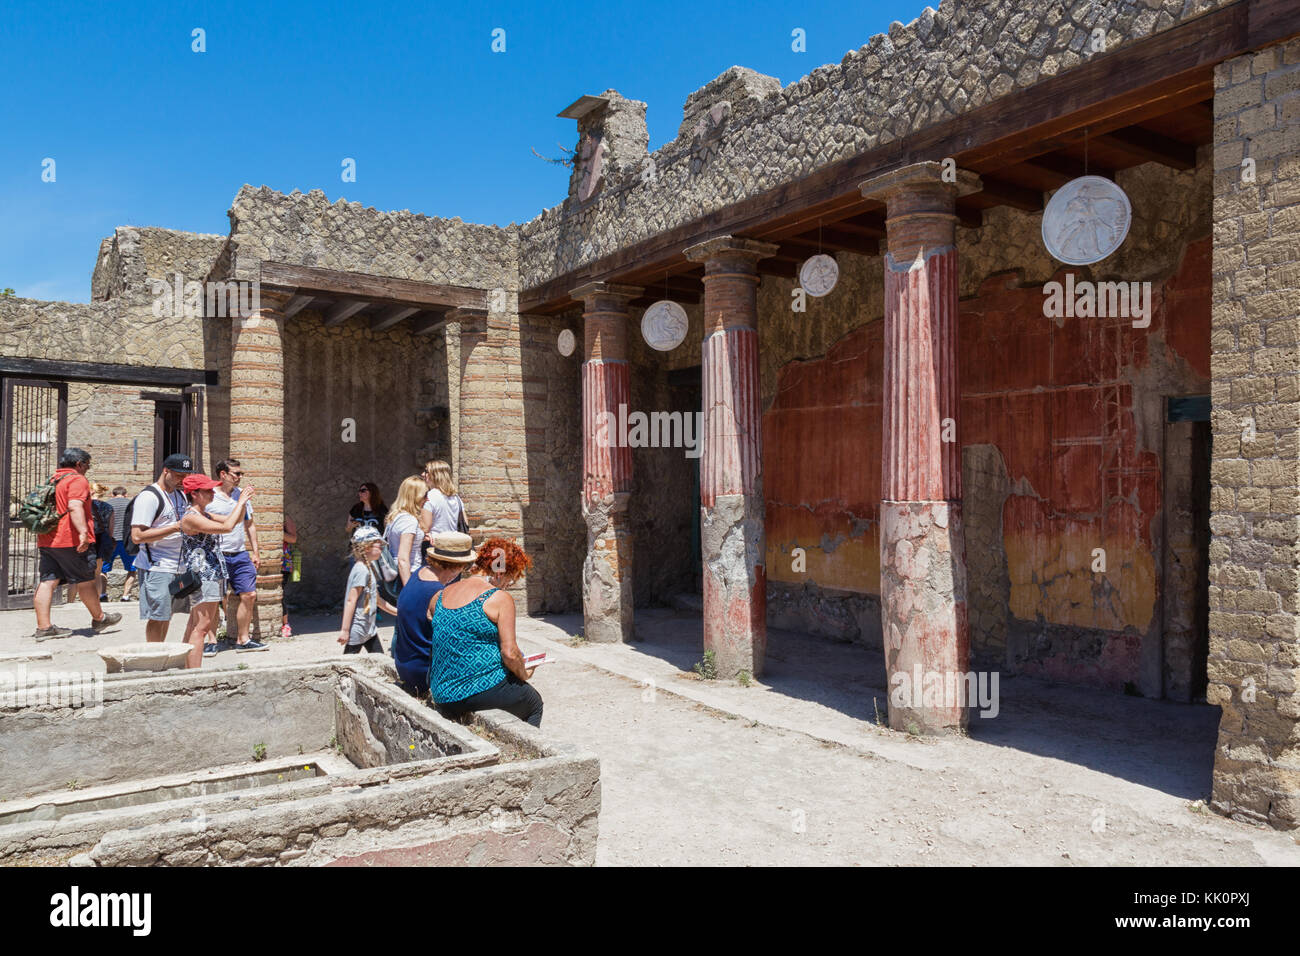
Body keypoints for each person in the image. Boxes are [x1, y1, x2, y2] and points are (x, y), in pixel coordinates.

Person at [428, 536, 541, 727]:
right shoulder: (498, 598)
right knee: (533, 702)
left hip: (441, 693)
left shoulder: (439, 596)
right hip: (476, 692)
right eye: (509, 580)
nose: (507, 586)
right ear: (499, 573)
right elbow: (510, 653)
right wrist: (524, 672)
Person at [31, 448, 122, 640]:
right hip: (70, 539)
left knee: (47, 581)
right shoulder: (77, 479)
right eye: (87, 465)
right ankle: (100, 618)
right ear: (79, 464)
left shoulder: (53, 479)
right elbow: (74, 506)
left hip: (48, 538)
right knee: (86, 580)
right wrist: (82, 533)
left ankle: (44, 627)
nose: (87, 469)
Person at [177, 474, 257, 667]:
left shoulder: (204, 514)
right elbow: (228, 527)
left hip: (209, 574)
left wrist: (242, 505)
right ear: (194, 494)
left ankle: (184, 667)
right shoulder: (191, 518)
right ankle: (194, 673)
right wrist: (241, 500)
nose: (212, 493)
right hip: (205, 576)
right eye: (207, 490)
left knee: (194, 624)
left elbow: (234, 520)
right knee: (201, 627)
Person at [392, 531, 473, 697]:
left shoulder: (418, 575)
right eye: (464, 567)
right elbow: (454, 640)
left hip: (404, 666)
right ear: (457, 566)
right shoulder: (437, 593)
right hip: (423, 674)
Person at [131, 453, 195, 644]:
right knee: (157, 615)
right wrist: (175, 527)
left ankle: (161, 650)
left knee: (168, 614)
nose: (182, 480)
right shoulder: (149, 497)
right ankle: (153, 653)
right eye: (178, 476)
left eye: (185, 476)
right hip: (157, 566)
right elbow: (137, 536)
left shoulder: (179, 495)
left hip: (178, 565)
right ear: (165, 471)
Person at [209, 459, 266, 652]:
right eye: (236, 473)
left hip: (240, 553)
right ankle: (211, 641)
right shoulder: (210, 496)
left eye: (241, 474)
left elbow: (249, 523)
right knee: (215, 598)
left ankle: (243, 639)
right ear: (223, 474)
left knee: (249, 594)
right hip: (217, 554)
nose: (240, 477)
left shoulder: (240, 495)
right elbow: (210, 519)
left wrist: (255, 551)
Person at [339, 526, 395, 654]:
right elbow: (350, 601)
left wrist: (399, 612)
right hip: (357, 630)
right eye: (378, 545)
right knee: (347, 669)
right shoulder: (361, 570)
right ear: (367, 547)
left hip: (369, 630)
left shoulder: (368, 568)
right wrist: (345, 630)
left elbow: (378, 600)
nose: (381, 548)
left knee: (381, 663)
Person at [384, 475, 427, 590]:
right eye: (425, 495)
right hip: (408, 575)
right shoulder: (409, 520)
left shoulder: (396, 517)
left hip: (397, 574)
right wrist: (409, 590)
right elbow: (403, 558)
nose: (427, 499)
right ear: (416, 497)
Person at [102, 486, 136, 600]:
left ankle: (102, 594)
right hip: (127, 541)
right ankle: (125, 596)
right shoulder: (131, 504)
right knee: (132, 569)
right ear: (125, 494)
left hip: (110, 541)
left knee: (103, 570)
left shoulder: (107, 504)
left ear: (112, 494)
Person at [419, 460, 467, 535]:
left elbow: (425, 528)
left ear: (436, 474)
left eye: (426, 472)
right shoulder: (456, 497)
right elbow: (465, 523)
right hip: (453, 543)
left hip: (435, 543)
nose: (422, 474)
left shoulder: (429, 496)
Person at [281, 515, 299, 637]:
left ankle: (285, 624)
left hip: (283, 562)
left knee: (280, 592)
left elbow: (293, 539)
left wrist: (276, 531)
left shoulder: (285, 517)